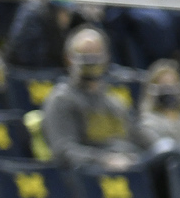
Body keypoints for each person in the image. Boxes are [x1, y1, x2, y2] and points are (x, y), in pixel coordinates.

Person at [40, 28, 155, 169]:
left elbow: (141, 138)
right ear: (68, 59)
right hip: (95, 176)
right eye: (84, 55)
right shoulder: (61, 100)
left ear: (107, 57)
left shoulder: (116, 102)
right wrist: (103, 160)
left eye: (96, 54)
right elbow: (64, 151)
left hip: (132, 166)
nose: (91, 61)